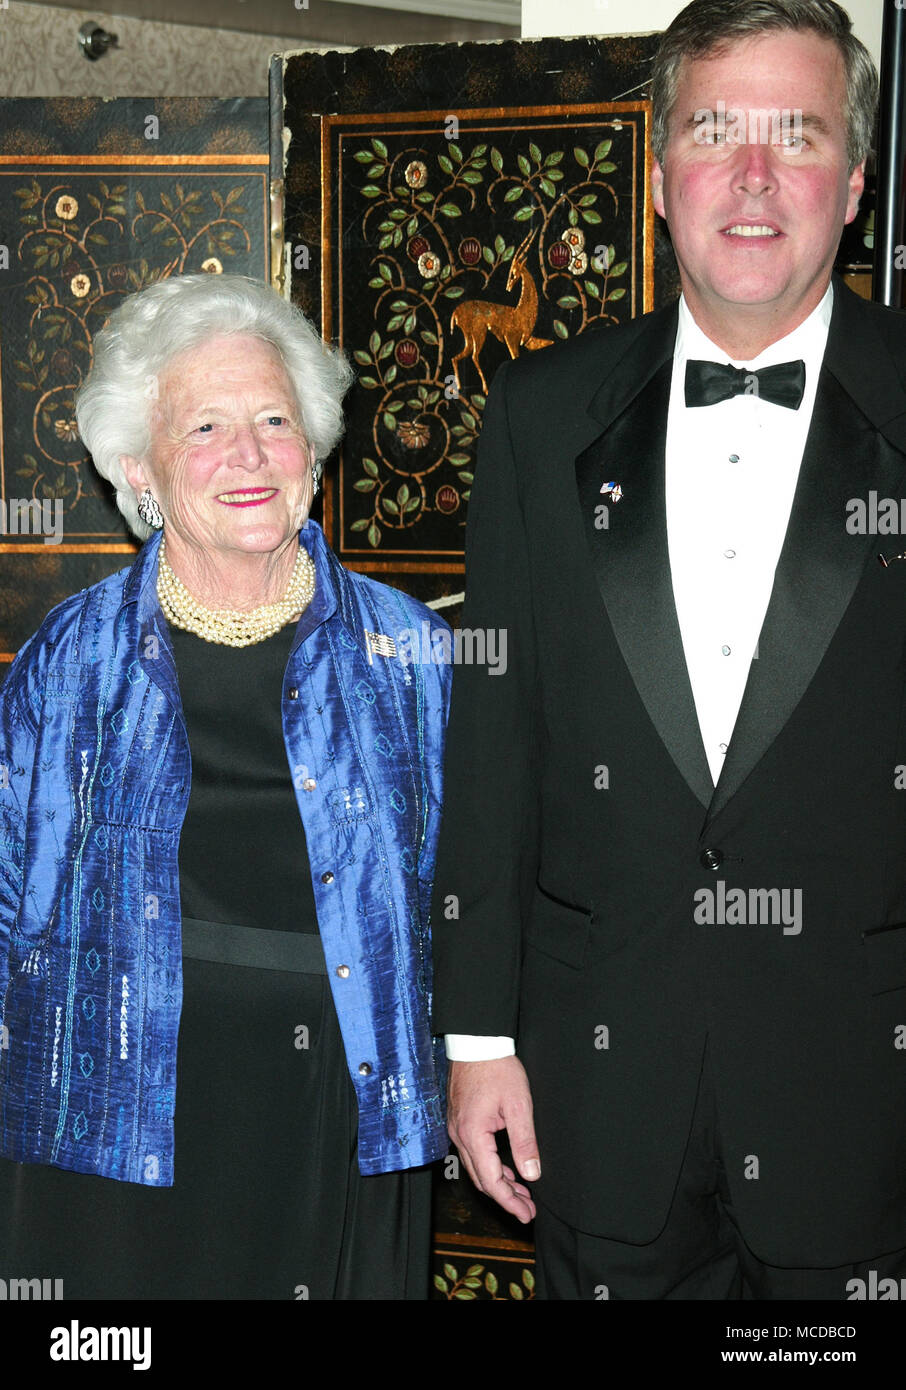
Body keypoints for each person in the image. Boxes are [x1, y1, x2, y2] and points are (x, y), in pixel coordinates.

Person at [431, 0, 906, 1300]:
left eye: (794, 136)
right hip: (599, 1093)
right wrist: (474, 1037)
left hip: (863, 1107)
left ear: (854, 180)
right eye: (713, 132)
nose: (751, 178)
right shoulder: (536, 414)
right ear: (656, 173)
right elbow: (493, 747)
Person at [0, 272, 449, 1300]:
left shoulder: (408, 653)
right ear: (139, 468)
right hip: (111, 1111)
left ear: (314, 450)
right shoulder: (70, 657)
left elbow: (472, 898)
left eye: (272, 420)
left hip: (340, 1108)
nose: (246, 455)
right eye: (204, 426)